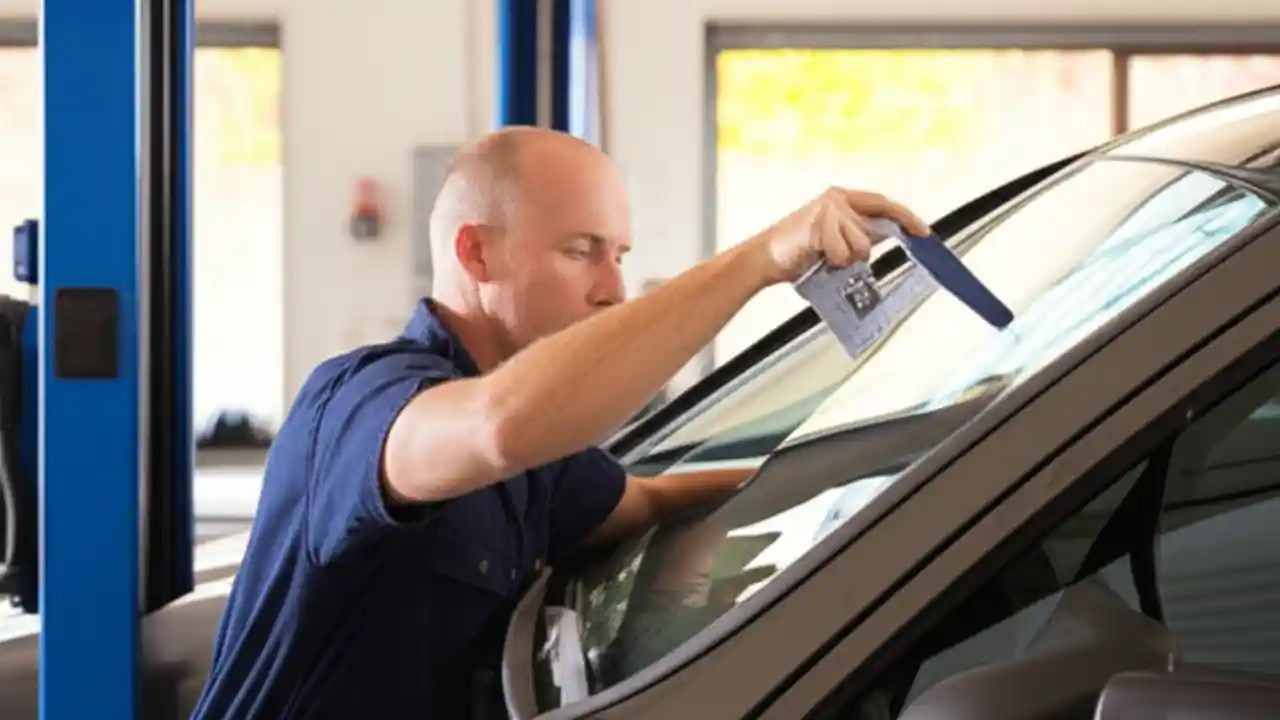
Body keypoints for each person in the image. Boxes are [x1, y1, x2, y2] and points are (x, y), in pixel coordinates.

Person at [190, 126, 930, 719]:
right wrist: (759, 261)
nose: (613, 289)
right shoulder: (363, 402)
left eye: (620, 255)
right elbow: (494, 429)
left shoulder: (537, 449)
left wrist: (883, 468)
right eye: (580, 252)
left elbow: (646, 501)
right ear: (475, 252)